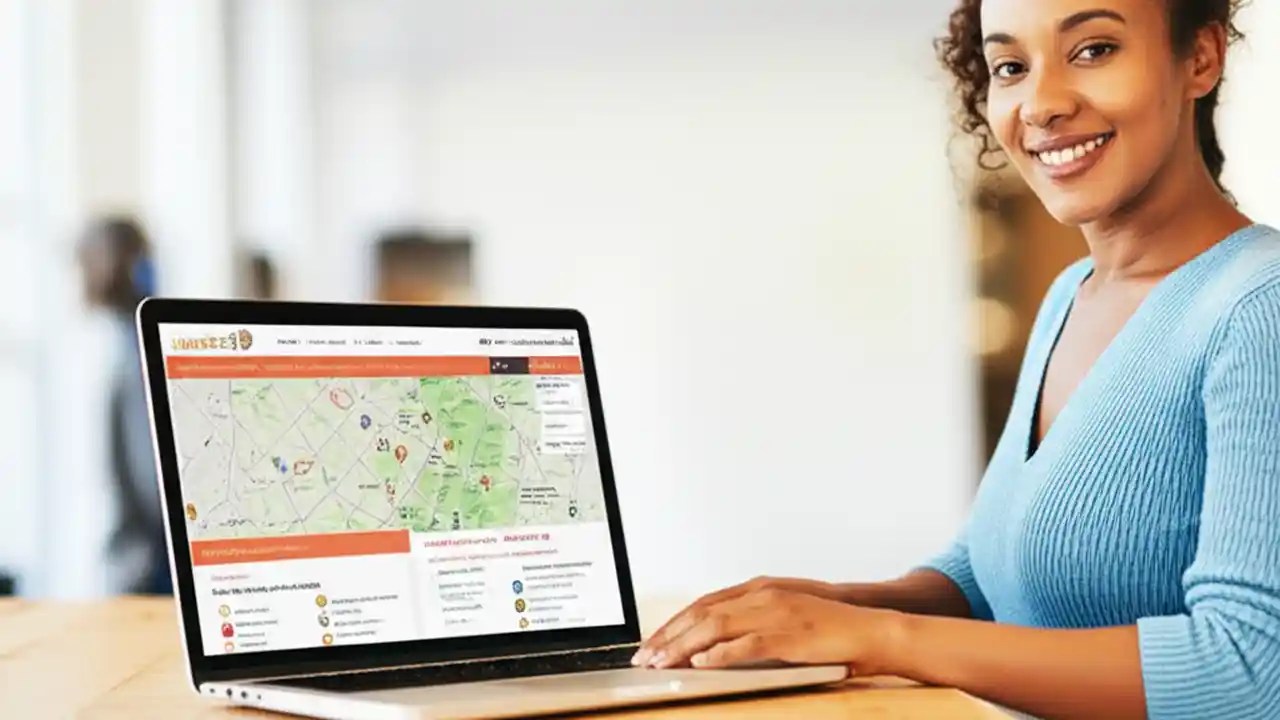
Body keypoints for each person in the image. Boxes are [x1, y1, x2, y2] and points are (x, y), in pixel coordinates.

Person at [634, 1, 1279, 718]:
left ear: (1200, 58)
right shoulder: (1072, 296)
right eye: (1011, 66)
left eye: (1094, 50)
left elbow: (1249, 671)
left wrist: (881, 637)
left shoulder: (1261, 308)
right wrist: (827, 609)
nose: (1042, 103)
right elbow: (998, 570)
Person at [78, 216, 171, 595]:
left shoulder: (88, 337)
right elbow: (147, 469)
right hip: (137, 556)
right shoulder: (128, 347)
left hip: (106, 552)